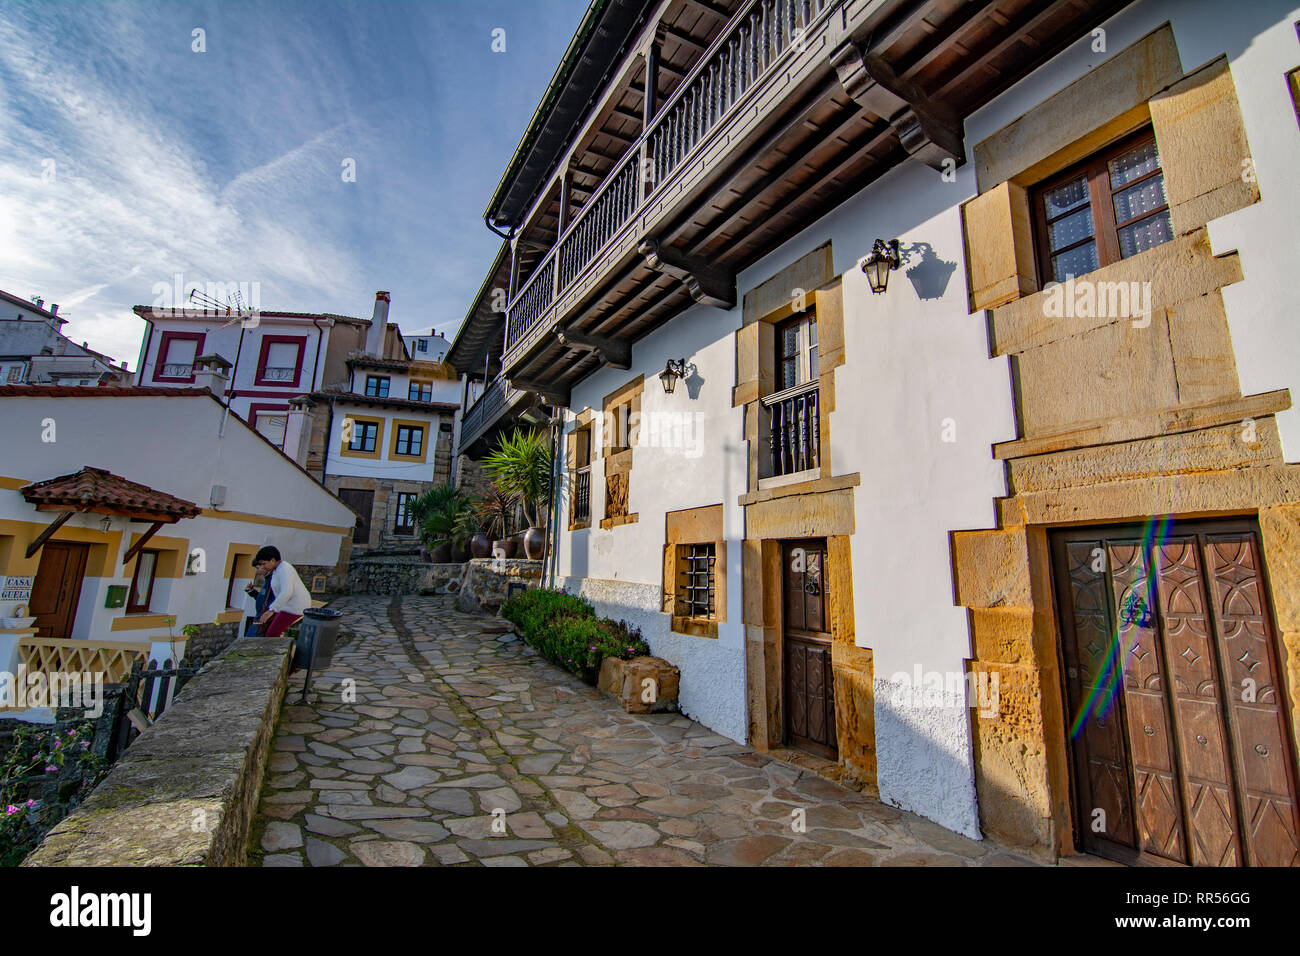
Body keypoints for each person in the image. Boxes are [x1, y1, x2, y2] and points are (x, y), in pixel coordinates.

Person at [251, 546, 311, 637]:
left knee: (273, 633)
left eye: (264, 563)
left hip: (295, 607)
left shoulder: (284, 568)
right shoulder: (277, 570)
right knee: (271, 632)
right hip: (287, 607)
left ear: (272, 560)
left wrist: (271, 610)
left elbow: (287, 591)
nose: (263, 567)